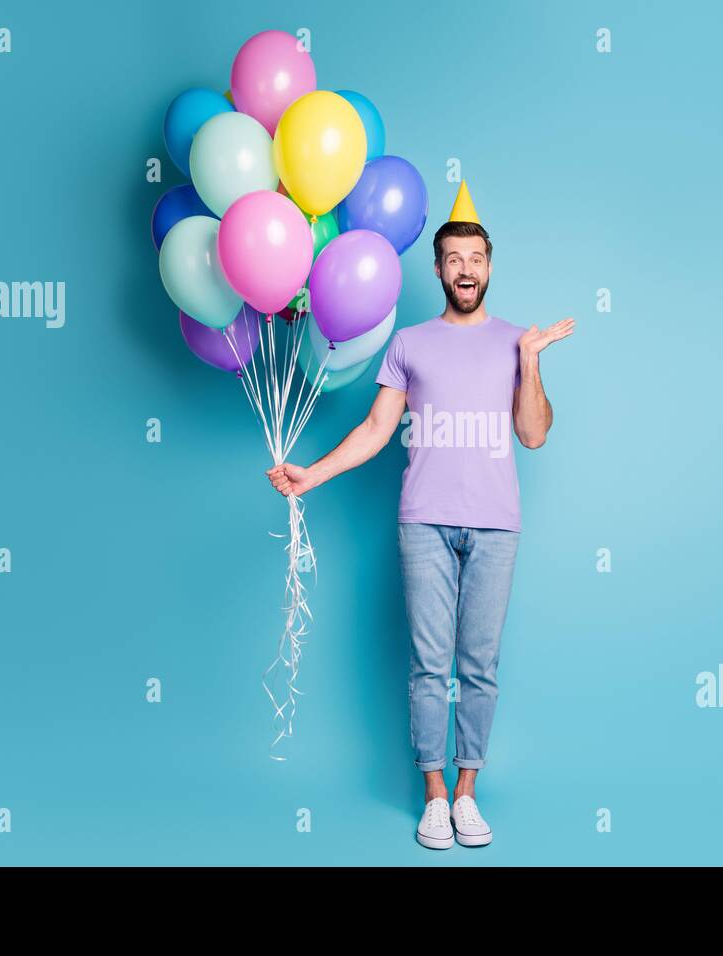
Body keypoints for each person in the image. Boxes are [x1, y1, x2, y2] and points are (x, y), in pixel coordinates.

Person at [266, 182, 574, 848]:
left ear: (490, 267)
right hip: (425, 523)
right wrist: (312, 475)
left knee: (480, 664)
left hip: (495, 523)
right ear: (438, 269)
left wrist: (530, 363)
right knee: (430, 664)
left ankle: (469, 792)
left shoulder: (517, 341)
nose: (466, 269)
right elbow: (378, 429)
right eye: (454, 258)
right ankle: (434, 796)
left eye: (476, 258)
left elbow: (535, 434)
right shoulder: (408, 343)